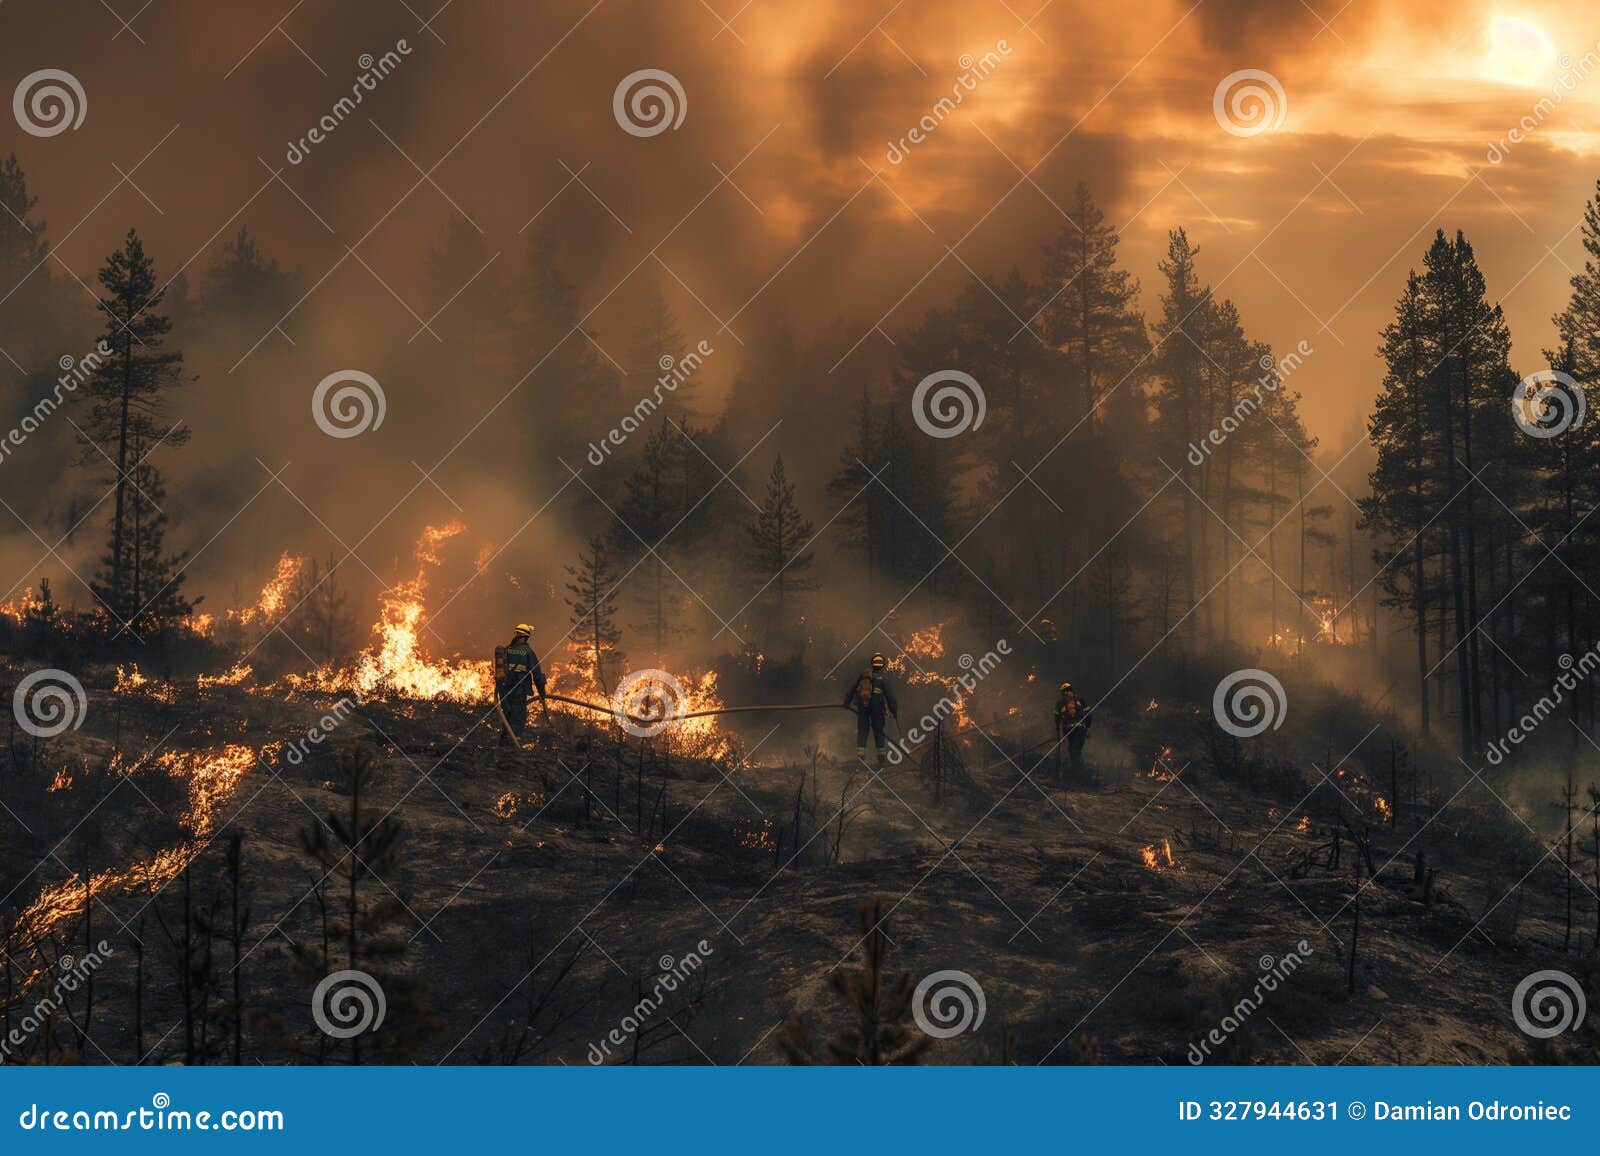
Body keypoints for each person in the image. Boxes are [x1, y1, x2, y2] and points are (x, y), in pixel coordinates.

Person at [842, 652, 898, 767]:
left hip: (863, 708)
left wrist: (846, 703)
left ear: (872, 664)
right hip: (877, 710)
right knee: (878, 732)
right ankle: (881, 760)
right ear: (882, 665)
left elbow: (852, 689)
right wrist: (894, 710)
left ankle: (860, 759)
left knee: (862, 732)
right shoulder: (883, 678)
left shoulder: (863, 676)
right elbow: (890, 696)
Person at [497, 623, 547, 746]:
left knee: (507, 716)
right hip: (519, 690)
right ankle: (513, 747)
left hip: (505, 689)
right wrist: (542, 693)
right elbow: (537, 674)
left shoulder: (506, 649)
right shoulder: (528, 652)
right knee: (518, 718)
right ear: (526, 637)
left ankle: (503, 745)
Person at [1054, 681, 1092, 775]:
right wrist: (1059, 733)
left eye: (1068, 690)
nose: (1067, 693)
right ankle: (1077, 770)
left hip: (1080, 730)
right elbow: (1057, 718)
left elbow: (1088, 713)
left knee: (1075, 749)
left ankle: (1079, 771)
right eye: (1064, 691)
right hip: (1069, 731)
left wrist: (1087, 726)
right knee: (1072, 749)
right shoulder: (1060, 703)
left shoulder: (1079, 700)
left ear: (1072, 691)